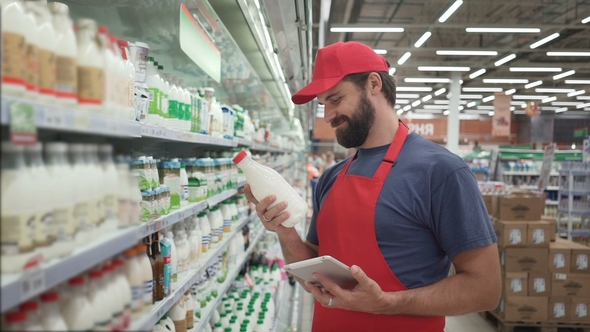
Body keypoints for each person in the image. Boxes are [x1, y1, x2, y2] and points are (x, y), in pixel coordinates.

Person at [244, 41, 501, 331]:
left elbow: (486, 289)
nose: (328, 115)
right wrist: (284, 230)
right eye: (324, 104)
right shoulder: (331, 176)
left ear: (374, 84)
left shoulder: (440, 172)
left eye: (336, 99)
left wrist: (389, 304)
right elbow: (315, 279)